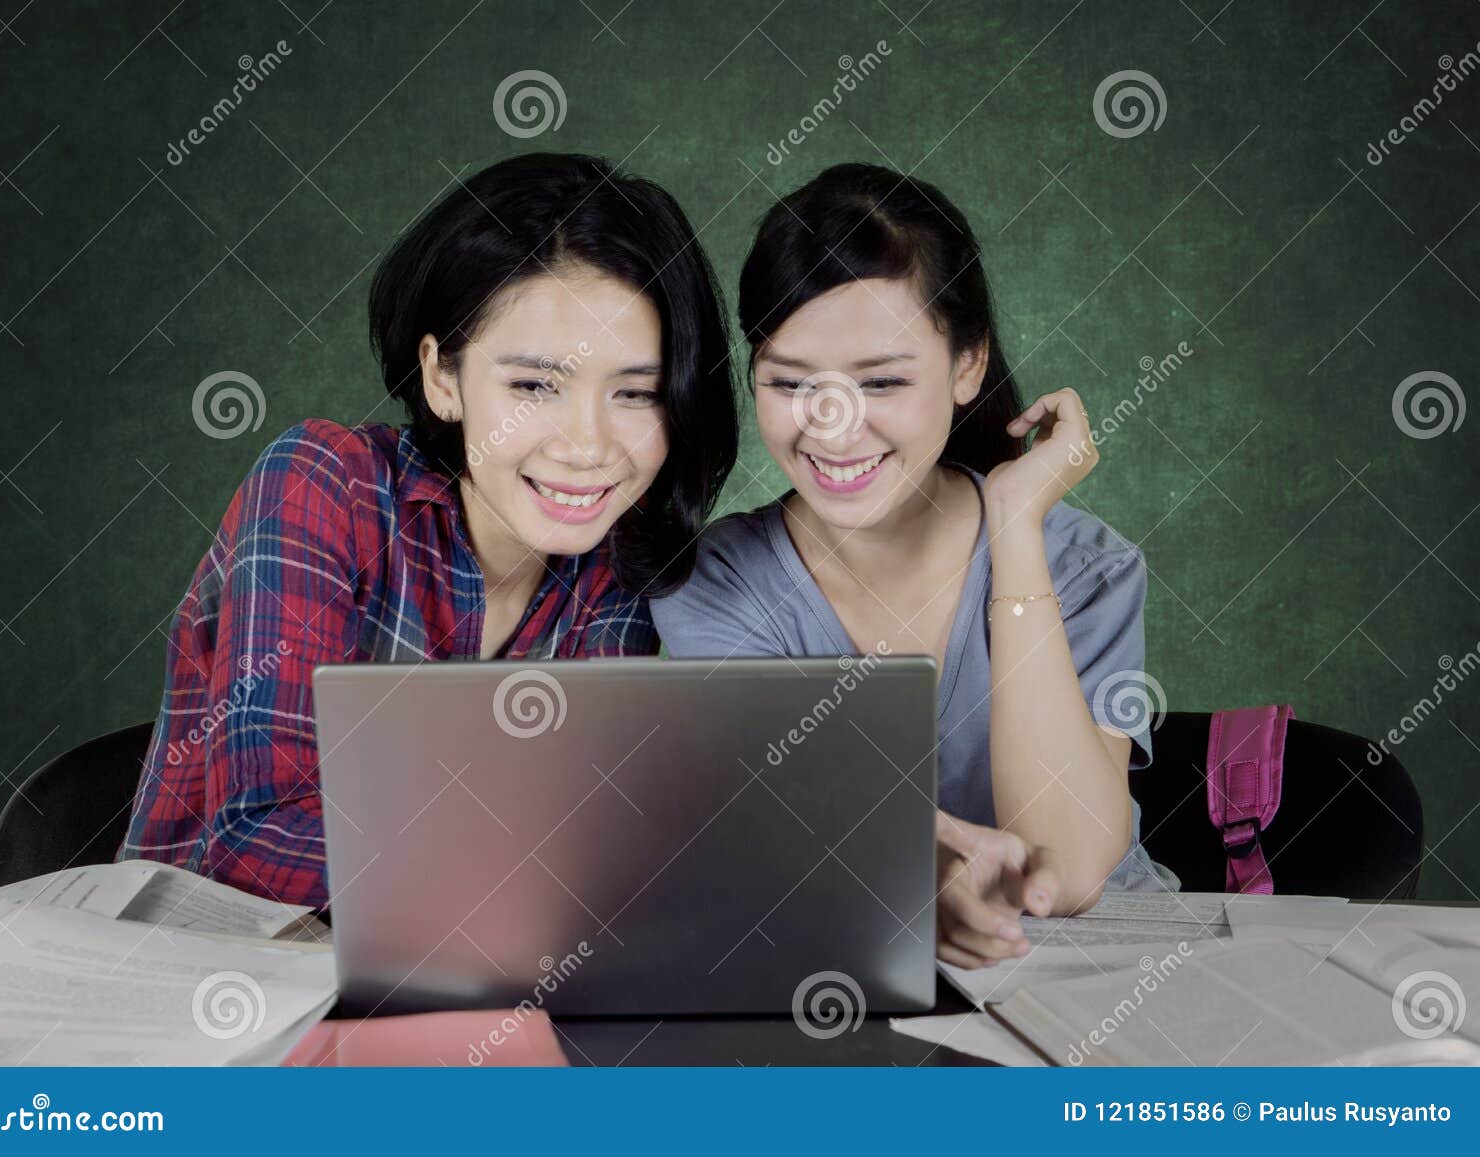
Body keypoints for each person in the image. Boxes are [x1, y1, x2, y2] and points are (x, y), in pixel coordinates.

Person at [119, 153, 738, 909]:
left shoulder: (615, 561)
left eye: (637, 392)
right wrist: (546, 876)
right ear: (442, 377)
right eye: (535, 385)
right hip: (218, 979)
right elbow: (255, 842)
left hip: (473, 982)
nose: (588, 446)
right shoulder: (325, 484)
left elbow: (587, 837)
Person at [651, 162, 1179, 970]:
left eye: (883, 380)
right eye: (791, 382)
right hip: (847, 977)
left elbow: (1063, 873)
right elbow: (777, 845)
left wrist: (1014, 524)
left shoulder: (1088, 569)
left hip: (1103, 975)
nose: (831, 427)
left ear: (968, 365)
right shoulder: (718, 582)